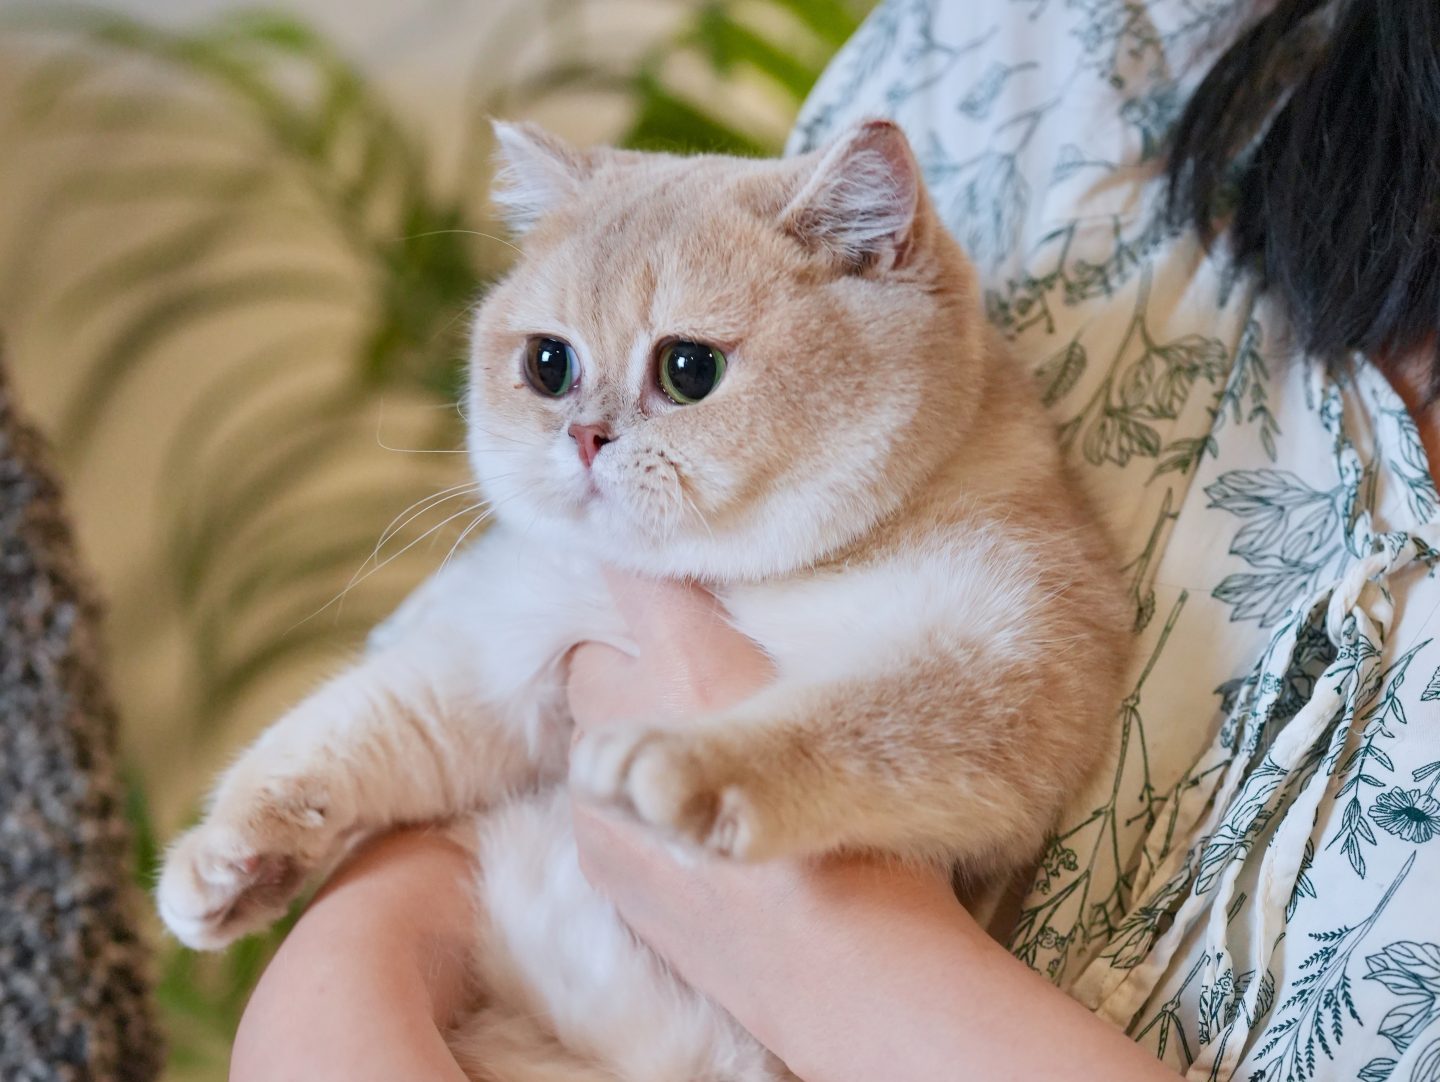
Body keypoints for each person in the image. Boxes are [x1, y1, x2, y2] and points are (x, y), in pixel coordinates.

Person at [230, 1, 1440, 1079]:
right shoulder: (1054, 34)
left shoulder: (969, 529)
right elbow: (453, 713)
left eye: (685, 368)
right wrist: (341, 987)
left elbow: (997, 701)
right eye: (552, 367)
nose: (589, 432)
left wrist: (805, 924)